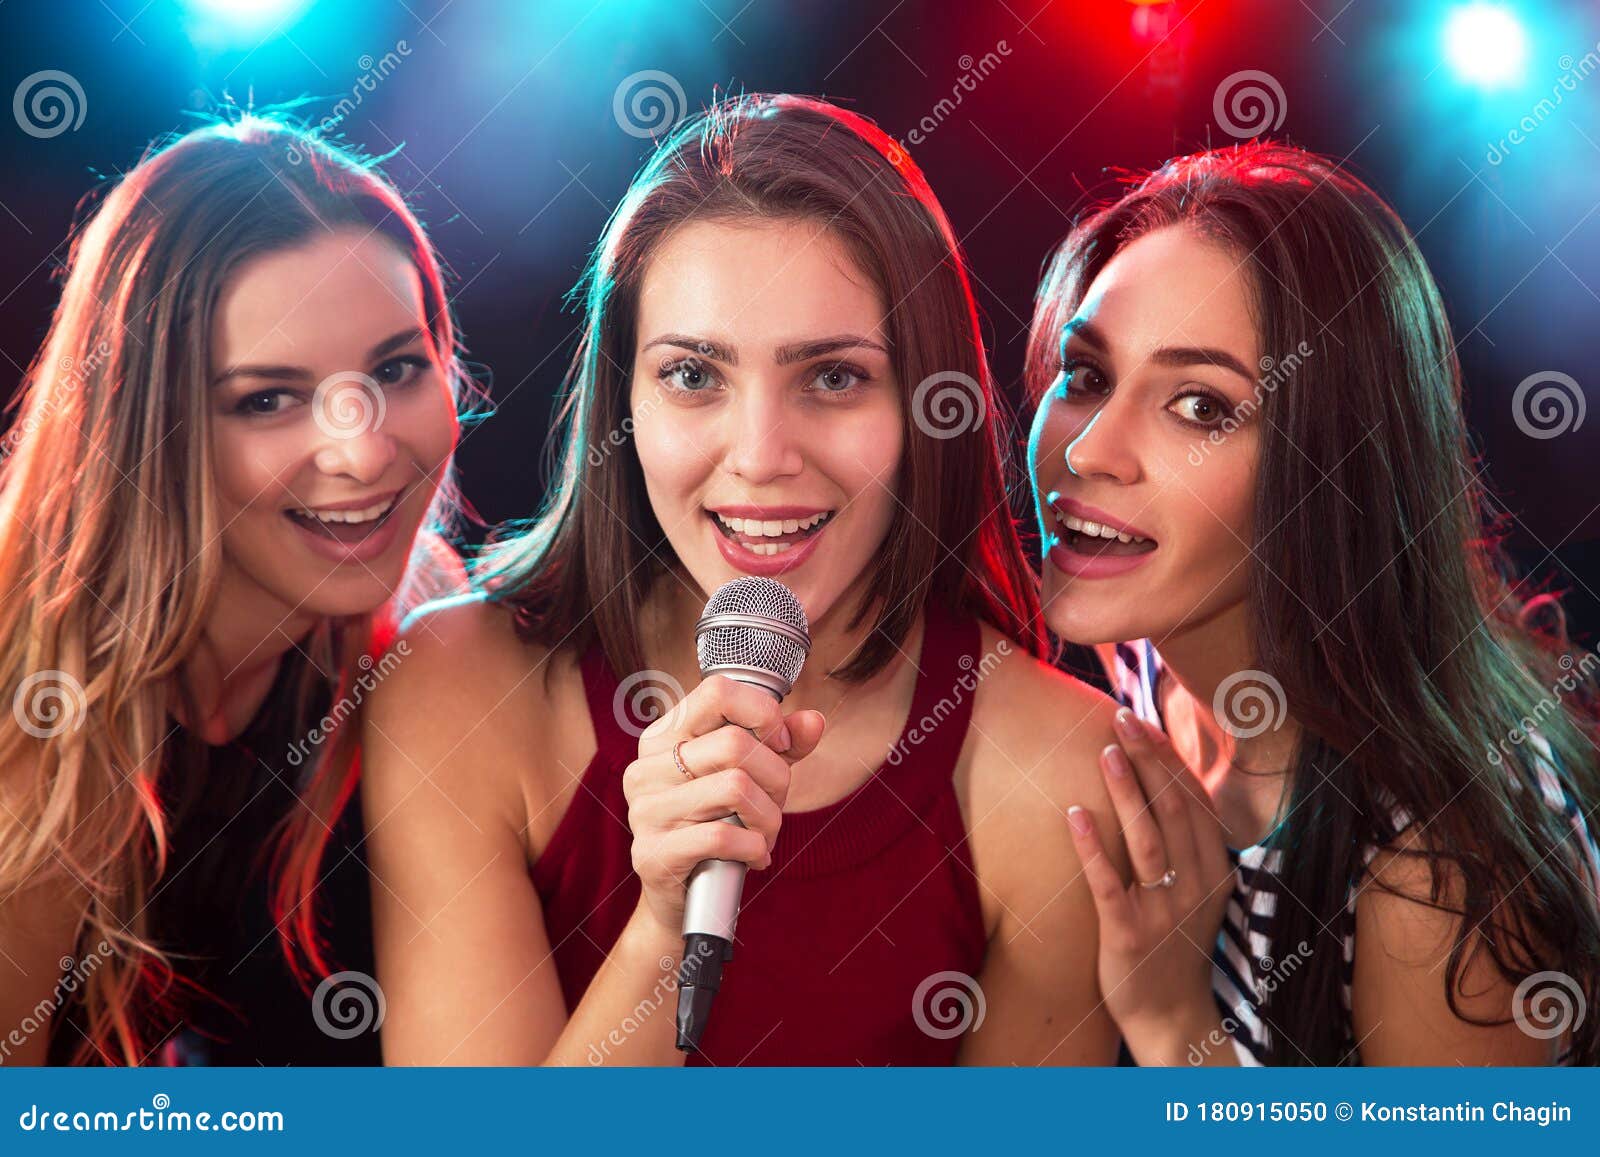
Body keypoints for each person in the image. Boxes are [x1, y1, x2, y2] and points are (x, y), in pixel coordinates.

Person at [364, 93, 1131, 1066]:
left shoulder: (1063, 770)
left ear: (926, 400)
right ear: (623, 399)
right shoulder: (452, 688)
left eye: (833, 377)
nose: (762, 456)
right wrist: (658, 930)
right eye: (693, 375)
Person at [1027, 141, 1600, 1065]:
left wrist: (1174, 1024)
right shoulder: (1143, 662)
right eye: (1087, 374)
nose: (1089, 449)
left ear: (1334, 466)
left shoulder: (1436, 879)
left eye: (1202, 408)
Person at [0, 116, 471, 1065]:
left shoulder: (423, 614)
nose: (365, 450)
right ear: (149, 429)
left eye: (396, 368)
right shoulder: (33, 720)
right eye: (269, 398)